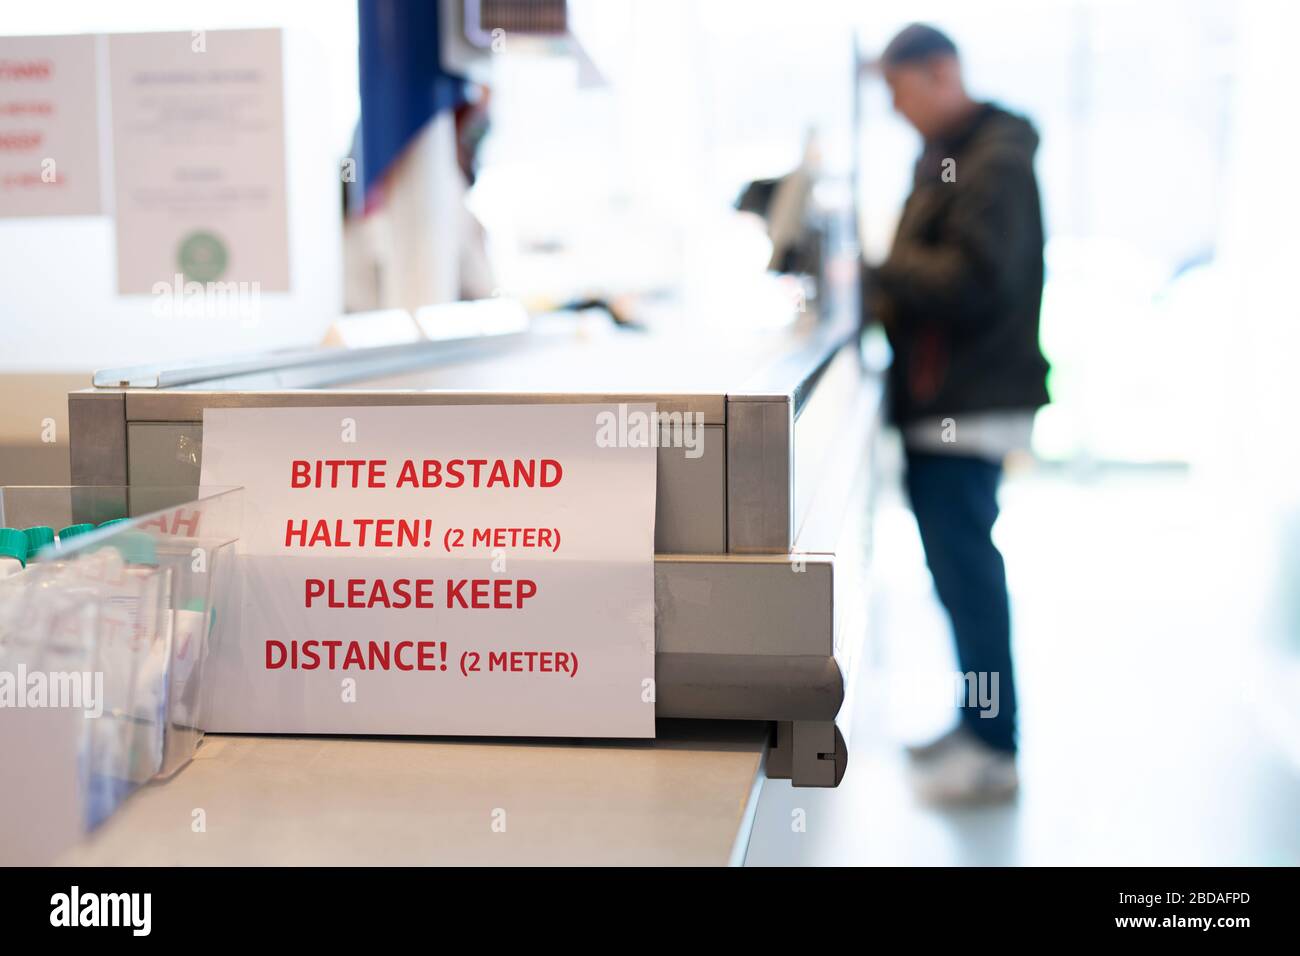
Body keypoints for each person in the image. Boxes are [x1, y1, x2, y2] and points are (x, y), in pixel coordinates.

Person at [866, 24, 1051, 803]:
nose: (899, 112)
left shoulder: (995, 160)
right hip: (949, 400)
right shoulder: (955, 154)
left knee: (969, 578)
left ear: (940, 73)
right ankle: (975, 723)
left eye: (902, 94)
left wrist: (876, 269)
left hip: (967, 403)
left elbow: (974, 280)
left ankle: (993, 747)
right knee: (956, 577)